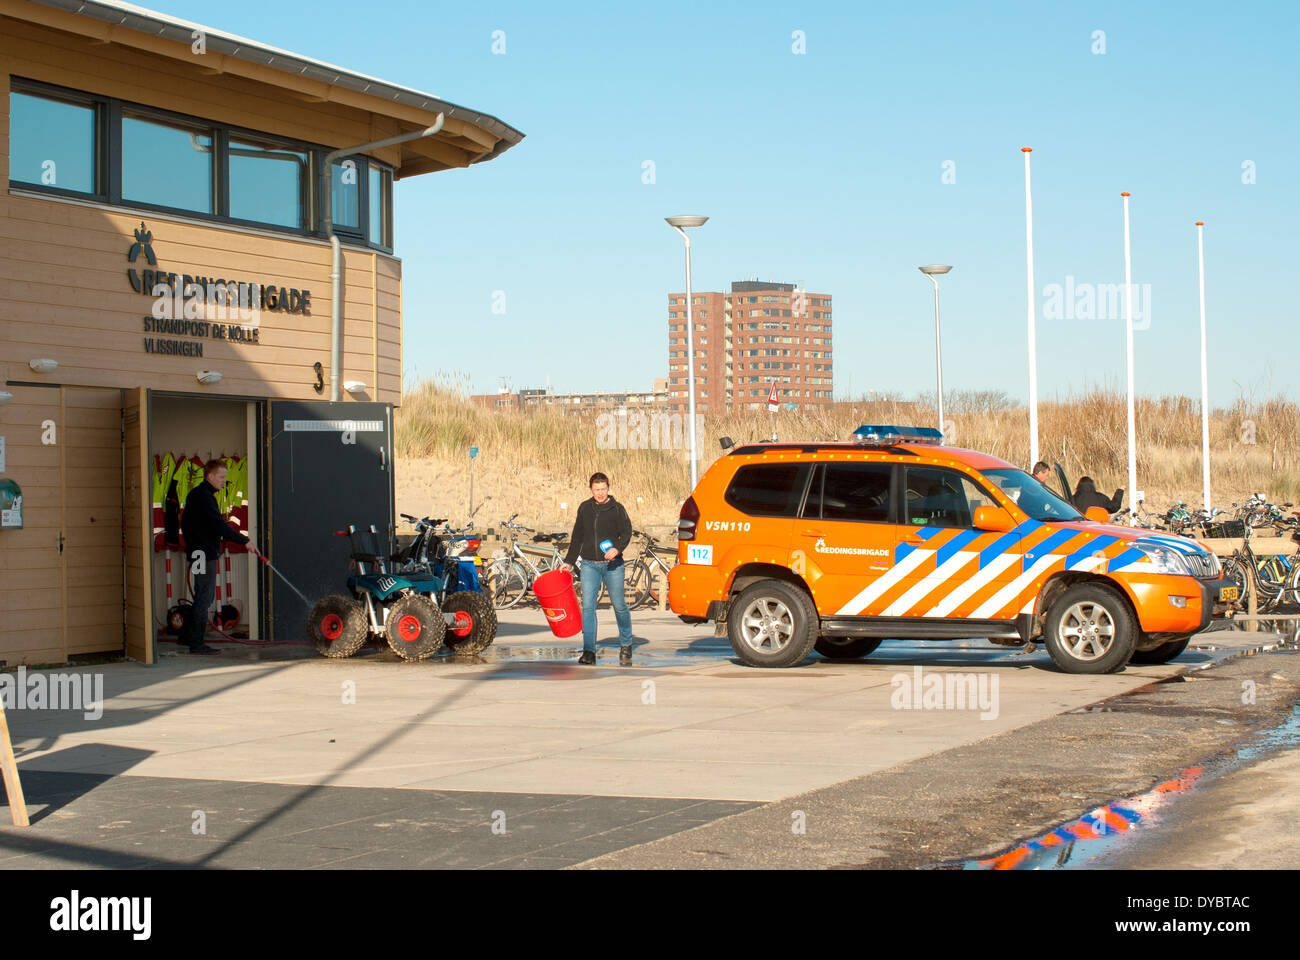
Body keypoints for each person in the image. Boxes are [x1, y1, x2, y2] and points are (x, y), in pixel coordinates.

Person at [179, 459, 260, 654]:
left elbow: (187, 525)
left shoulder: (196, 495)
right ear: (210, 476)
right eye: (222, 477)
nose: (224, 481)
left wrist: (194, 546)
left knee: (200, 594)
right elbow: (220, 525)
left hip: (198, 553)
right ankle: (196, 643)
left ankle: (187, 636)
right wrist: (244, 540)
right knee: (204, 597)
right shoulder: (205, 497)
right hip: (204, 554)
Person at [561, 472, 633, 665]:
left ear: (608, 488)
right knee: (588, 607)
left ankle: (626, 645)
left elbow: (627, 532)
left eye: (603, 489)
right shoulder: (585, 508)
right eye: (596, 490)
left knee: (619, 606)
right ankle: (589, 651)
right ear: (591, 489)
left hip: (613, 566)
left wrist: (617, 548)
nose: (600, 493)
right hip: (589, 565)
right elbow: (577, 537)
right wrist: (569, 560)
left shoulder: (617, 509)